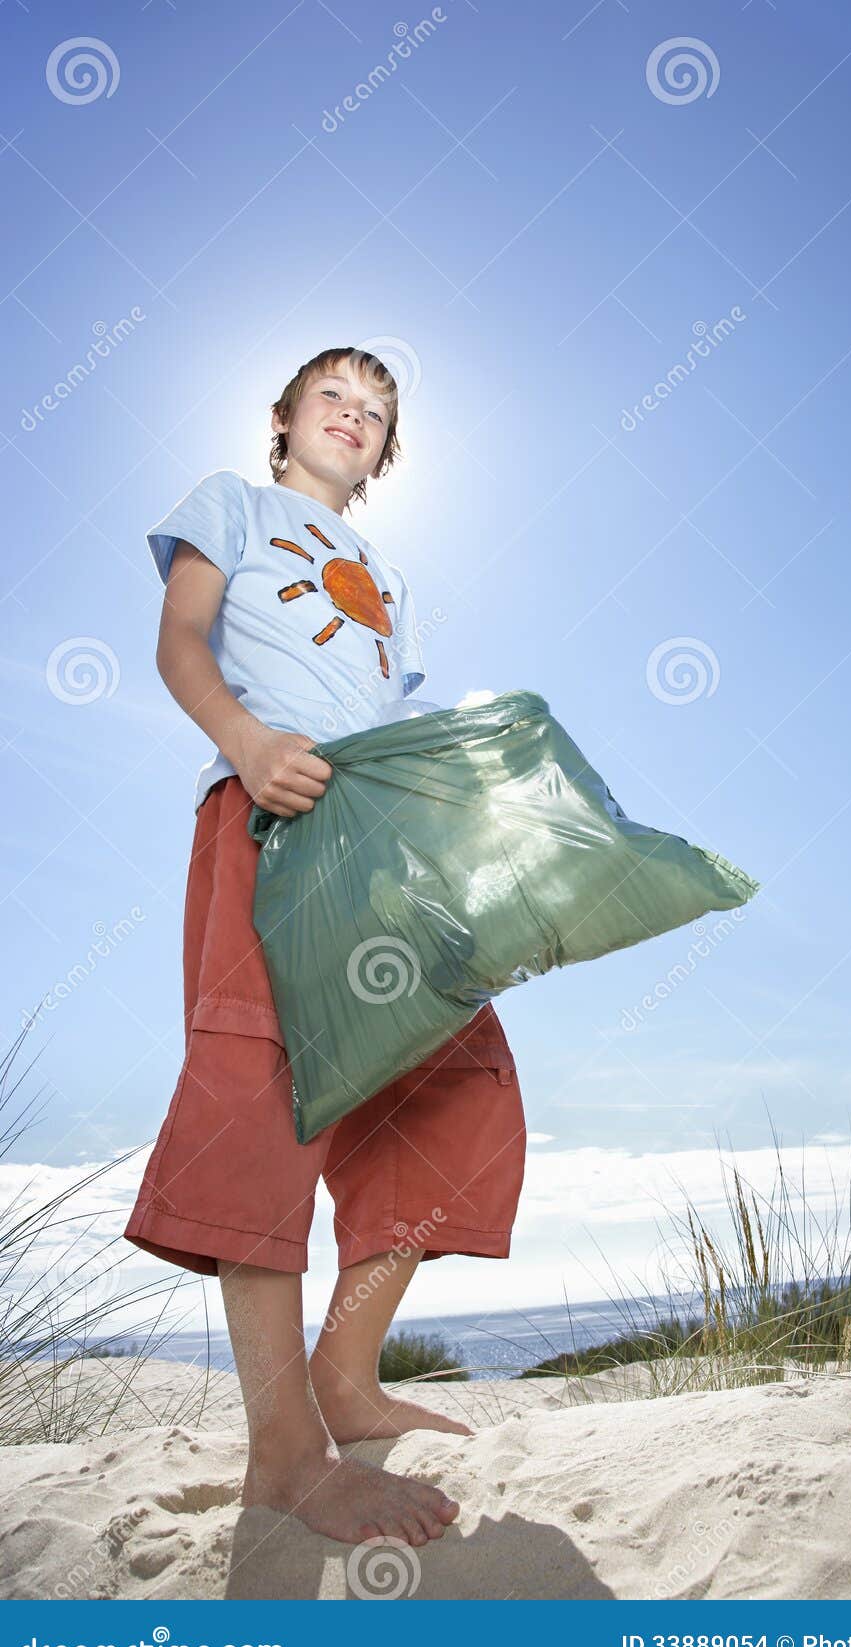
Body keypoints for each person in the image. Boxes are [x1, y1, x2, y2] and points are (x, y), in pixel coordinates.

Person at [124, 347, 527, 1549]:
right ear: (286, 419)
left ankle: (345, 1373)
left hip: (381, 846)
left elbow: (388, 724)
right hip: (268, 816)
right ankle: (285, 1452)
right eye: (333, 398)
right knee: (261, 1090)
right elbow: (181, 642)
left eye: (377, 411)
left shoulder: (386, 575)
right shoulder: (232, 505)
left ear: (386, 449)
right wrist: (246, 742)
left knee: (456, 1087)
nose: (353, 417)